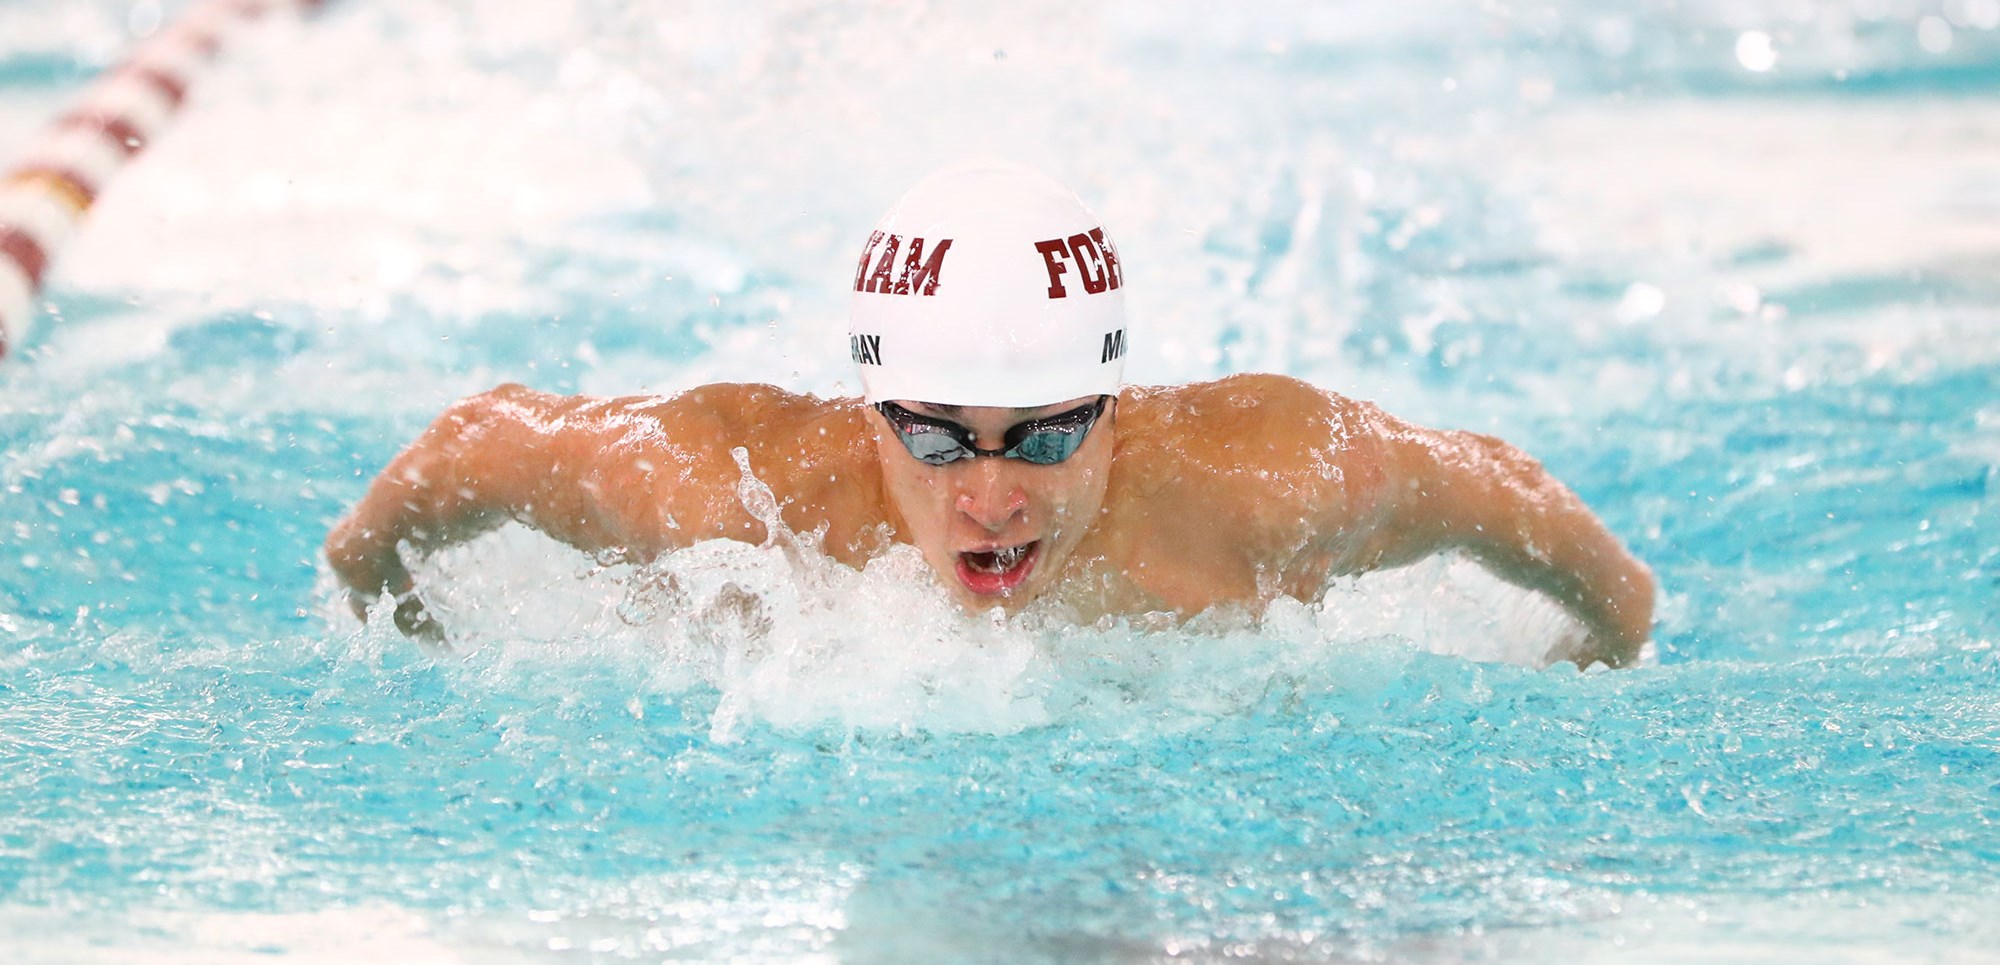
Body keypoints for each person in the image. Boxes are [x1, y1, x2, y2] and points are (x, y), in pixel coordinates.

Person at [325, 160, 1655, 667]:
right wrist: (396, 613)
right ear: (872, 417)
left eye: (1051, 434)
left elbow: (1517, 501)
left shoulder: (1267, 483)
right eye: (938, 437)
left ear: (1119, 413)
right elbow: (470, 445)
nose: (991, 497)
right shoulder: (730, 494)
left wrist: (1599, 655)